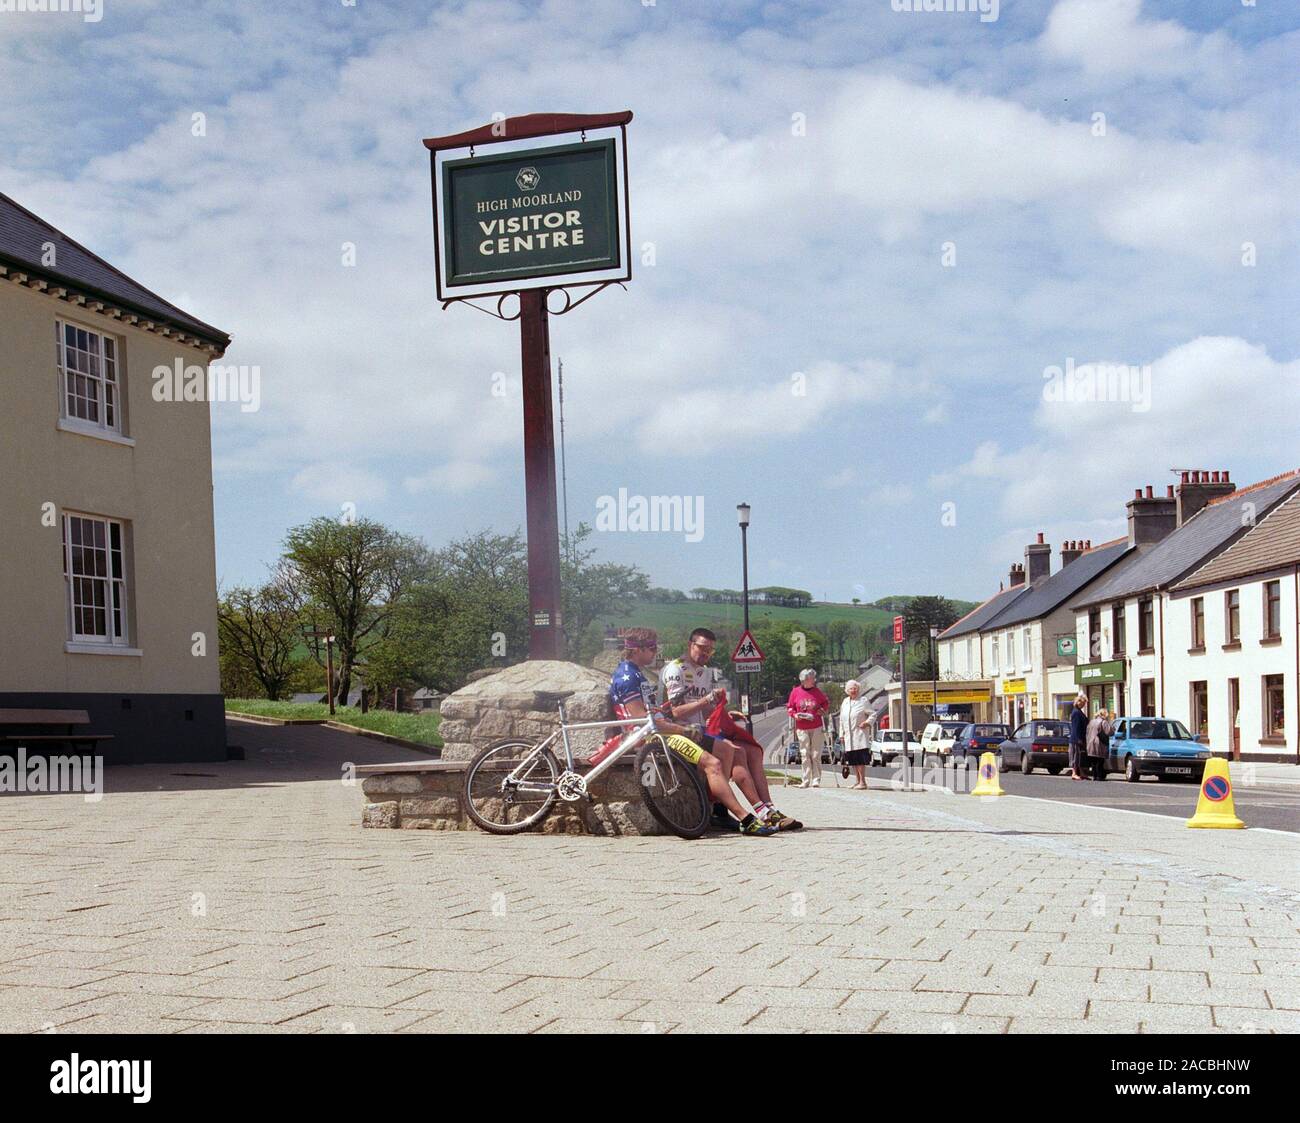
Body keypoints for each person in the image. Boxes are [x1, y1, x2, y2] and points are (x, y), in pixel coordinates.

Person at [608, 627, 775, 836]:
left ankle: (721, 811)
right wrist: (682, 729)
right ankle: (746, 818)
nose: (655, 652)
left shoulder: (635, 673)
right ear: (637, 649)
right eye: (651, 648)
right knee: (712, 763)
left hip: (663, 730)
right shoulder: (627, 677)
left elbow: (654, 712)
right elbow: (643, 721)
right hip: (652, 737)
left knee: (727, 749)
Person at [661, 628, 800, 831]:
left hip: (701, 728)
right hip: (681, 730)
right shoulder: (676, 670)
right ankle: (749, 810)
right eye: (702, 648)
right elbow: (676, 712)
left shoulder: (704, 671)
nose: (706, 653)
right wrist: (706, 700)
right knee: (737, 751)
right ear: (691, 644)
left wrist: (724, 712)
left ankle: (769, 809)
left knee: (753, 751)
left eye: (710, 650)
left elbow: (706, 708)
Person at [787, 668, 830, 788]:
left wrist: (823, 710)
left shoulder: (817, 691)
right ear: (805, 680)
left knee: (816, 754)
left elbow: (825, 703)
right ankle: (805, 779)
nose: (814, 681)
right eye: (812, 679)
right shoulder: (795, 692)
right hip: (801, 726)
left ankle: (816, 779)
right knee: (805, 753)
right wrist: (795, 715)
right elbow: (790, 707)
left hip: (816, 726)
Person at [839, 679, 873, 789]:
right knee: (853, 760)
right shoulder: (845, 702)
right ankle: (857, 781)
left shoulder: (863, 700)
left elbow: (873, 714)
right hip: (848, 736)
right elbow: (841, 719)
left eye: (855, 688)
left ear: (858, 690)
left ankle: (863, 782)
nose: (853, 690)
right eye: (850, 689)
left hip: (859, 734)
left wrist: (867, 722)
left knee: (860, 759)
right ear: (847, 690)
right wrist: (841, 734)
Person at [1086, 708, 1114, 781]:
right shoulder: (1103, 722)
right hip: (1099, 743)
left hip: (1090, 743)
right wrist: (1112, 728)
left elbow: (1087, 732)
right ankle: (1099, 776)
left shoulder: (1091, 721)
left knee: (1093, 761)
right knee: (1100, 761)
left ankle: (1094, 776)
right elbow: (1109, 732)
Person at [1069, 695, 1089, 781]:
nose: (1084, 705)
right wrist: (1078, 739)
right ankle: (1074, 773)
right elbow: (1076, 727)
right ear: (1079, 702)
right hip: (1076, 739)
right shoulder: (1076, 712)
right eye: (1083, 703)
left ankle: (1081, 772)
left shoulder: (1078, 711)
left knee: (1080, 756)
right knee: (1076, 756)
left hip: (1080, 737)